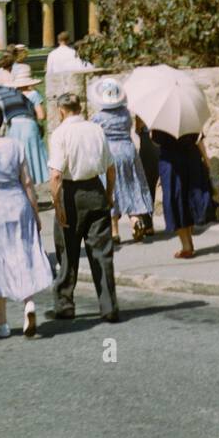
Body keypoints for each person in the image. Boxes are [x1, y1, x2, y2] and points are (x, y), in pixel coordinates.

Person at [0, 102, 53, 339]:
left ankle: (1, 321)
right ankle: (28, 303)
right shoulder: (16, 145)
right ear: (0, 122)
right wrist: (35, 212)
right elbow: (27, 182)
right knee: (22, 252)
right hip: (17, 202)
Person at [47, 92, 118, 321]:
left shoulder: (60, 134)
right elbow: (110, 168)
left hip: (71, 192)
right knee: (102, 252)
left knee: (67, 250)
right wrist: (108, 195)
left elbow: (56, 175)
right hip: (95, 189)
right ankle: (108, 306)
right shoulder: (96, 129)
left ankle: (65, 304)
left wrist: (58, 206)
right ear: (80, 108)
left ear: (61, 110)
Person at [87, 78, 154, 246]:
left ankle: (114, 231)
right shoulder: (125, 113)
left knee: (111, 189)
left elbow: (94, 136)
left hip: (110, 153)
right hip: (128, 150)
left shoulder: (98, 117)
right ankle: (135, 220)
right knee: (132, 186)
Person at [151, 126, 214, 259]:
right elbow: (198, 139)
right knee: (187, 198)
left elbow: (155, 141)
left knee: (175, 201)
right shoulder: (188, 117)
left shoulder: (161, 121)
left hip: (171, 162)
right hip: (190, 158)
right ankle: (188, 244)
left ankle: (186, 245)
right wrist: (206, 159)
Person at [6, 68, 50, 185]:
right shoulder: (34, 94)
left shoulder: (10, 95)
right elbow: (41, 115)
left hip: (14, 127)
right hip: (29, 125)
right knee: (32, 154)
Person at [134, 114, 159, 238]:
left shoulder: (141, 111)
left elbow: (137, 130)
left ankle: (148, 224)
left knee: (147, 186)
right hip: (157, 146)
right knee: (150, 186)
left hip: (148, 147)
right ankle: (148, 223)